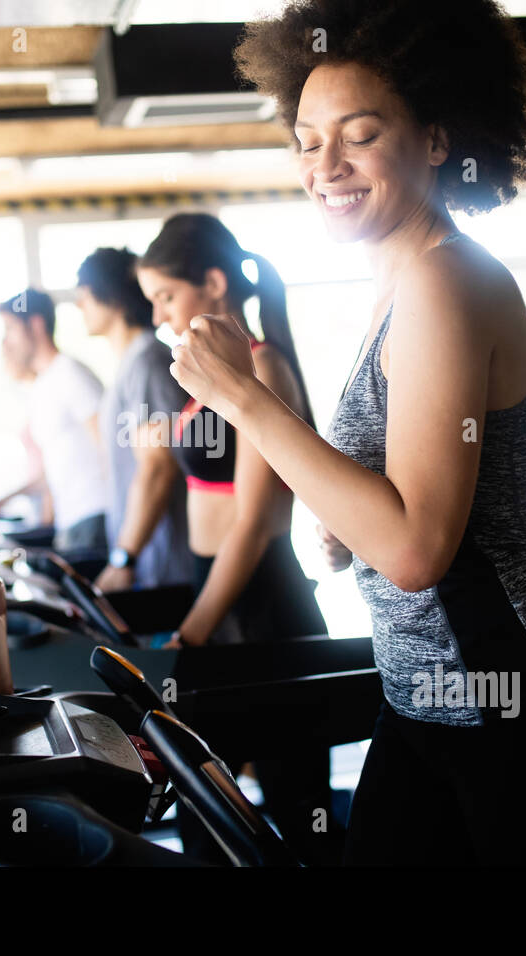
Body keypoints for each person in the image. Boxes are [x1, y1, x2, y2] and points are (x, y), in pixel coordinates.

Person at [166, 0, 526, 865]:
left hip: (524, 717)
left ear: (436, 137)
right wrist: (346, 522)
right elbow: (397, 514)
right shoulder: (399, 284)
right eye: (309, 141)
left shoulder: (444, 281)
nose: (327, 165)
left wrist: (244, 399)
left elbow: (419, 549)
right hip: (427, 701)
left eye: (359, 134)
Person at [136, 213, 344, 866]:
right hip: (215, 595)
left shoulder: (264, 369)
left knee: (291, 804)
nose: (160, 316)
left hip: (256, 604)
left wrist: (193, 633)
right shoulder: (209, 381)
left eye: (167, 296)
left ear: (215, 284)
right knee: (207, 802)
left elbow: (254, 522)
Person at [76, 248, 194, 592]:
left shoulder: (146, 362)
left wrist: (124, 558)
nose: (79, 306)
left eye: (84, 296)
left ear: (111, 297)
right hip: (150, 563)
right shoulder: (132, 363)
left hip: (164, 566)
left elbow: (158, 465)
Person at [0, 288, 108, 554]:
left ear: (36, 325)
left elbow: (110, 448)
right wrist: (3, 501)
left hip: (95, 516)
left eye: (10, 329)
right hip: (72, 521)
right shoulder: (44, 385)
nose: (6, 342)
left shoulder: (71, 374)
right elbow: (52, 472)